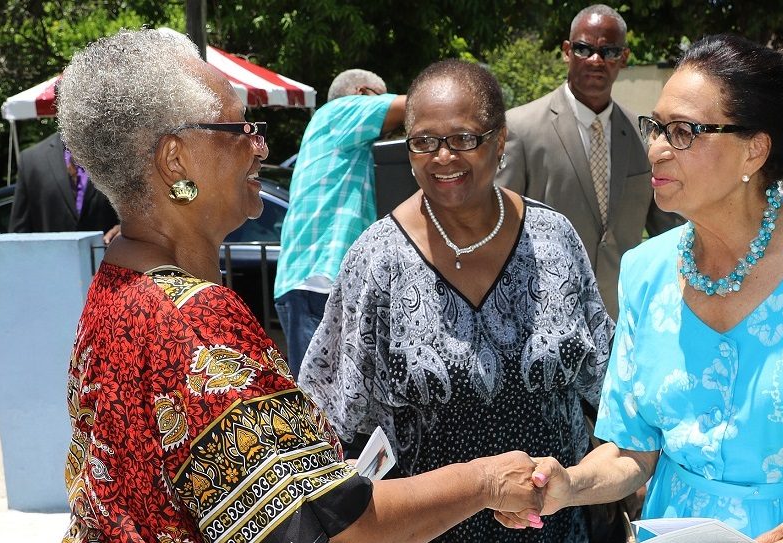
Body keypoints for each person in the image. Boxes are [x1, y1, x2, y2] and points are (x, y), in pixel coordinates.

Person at [58, 28, 544, 543]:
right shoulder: (195, 323)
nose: (260, 146)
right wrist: (484, 481)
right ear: (175, 160)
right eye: (239, 129)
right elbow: (333, 529)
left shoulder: (113, 286)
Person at [497, 34, 783, 542]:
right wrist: (568, 485)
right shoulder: (645, 271)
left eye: (684, 132)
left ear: (754, 151)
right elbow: (633, 449)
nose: (657, 150)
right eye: (657, 128)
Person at [299, 59, 614, 543]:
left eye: (464, 138)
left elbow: (609, 394)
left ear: (501, 138)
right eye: (423, 141)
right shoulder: (377, 259)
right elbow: (329, 419)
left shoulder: (554, 239)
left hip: (558, 527)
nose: (443, 157)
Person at [497, 4, 680, 319]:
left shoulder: (644, 134)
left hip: (622, 316)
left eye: (608, 51)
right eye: (584, 48)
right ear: (567, 51)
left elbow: (667, 229)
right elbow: (498, 229)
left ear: (623, 57)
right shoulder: (521, 130)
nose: (596, 60)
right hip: (542, 317)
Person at [273, 69, 406, 377]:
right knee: (326, 412)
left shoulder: (337, 138)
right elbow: (417, 105)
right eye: (379, 98)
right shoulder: (339, 112)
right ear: (362, 94)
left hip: (311, 283)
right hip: (322, 281)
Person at [9, 131, 120, 243]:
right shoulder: (32, 160)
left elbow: (136, 215)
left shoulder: (120, 153)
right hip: (52, 258)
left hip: (110, 256)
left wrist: (126, 231)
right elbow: (18, 235)